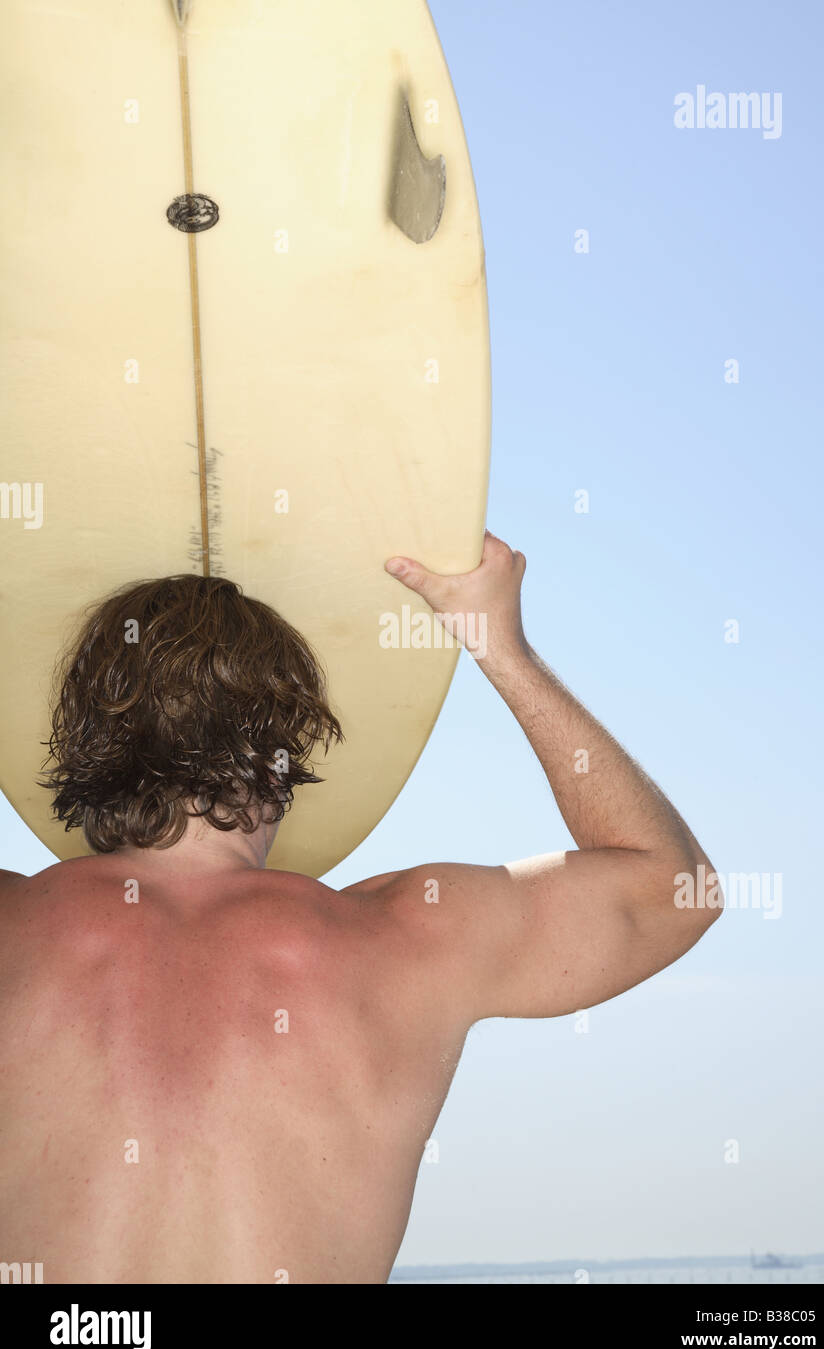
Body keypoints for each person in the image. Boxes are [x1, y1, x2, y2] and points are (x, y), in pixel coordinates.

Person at [0, 531, 722, 1284]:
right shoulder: (409, 934)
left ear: (82, 743)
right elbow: (674, 890)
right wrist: (500, 645)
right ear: (286, 747)